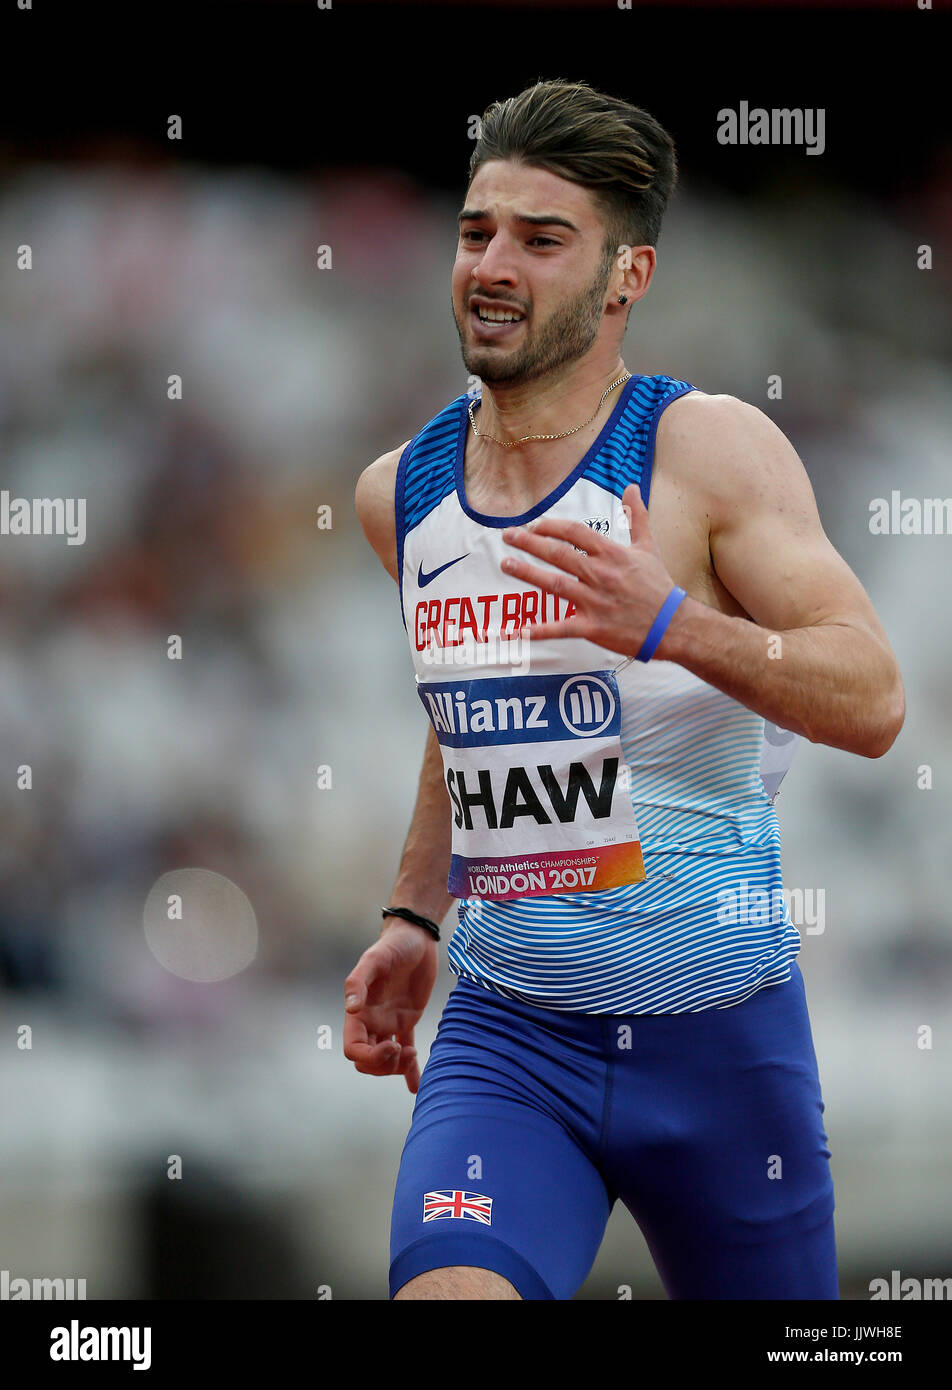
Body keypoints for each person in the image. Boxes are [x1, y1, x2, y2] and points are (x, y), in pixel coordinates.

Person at [344, 79, 904, 1301]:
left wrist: (672, 625)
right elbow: (468, 713)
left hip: (719, 1041)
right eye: (475, 230)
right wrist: (410, 915)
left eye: (542, 242)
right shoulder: (402, 491)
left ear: (625, 277)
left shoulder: (703, 452)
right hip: (509, 1038)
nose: (493, 265)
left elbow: (873, 699)